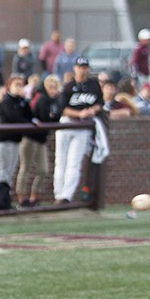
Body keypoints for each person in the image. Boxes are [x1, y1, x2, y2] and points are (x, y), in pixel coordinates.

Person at [53, 56, 101, 203]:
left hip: (82, 126)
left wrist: (92, 110)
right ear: (74, 68)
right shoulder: (68, 86)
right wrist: (79, 113)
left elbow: (100, 103)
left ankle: (66, 196)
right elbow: (62, 109)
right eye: (80, 67)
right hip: (67, 123)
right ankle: (58, 193)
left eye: (85, 67)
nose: (82, 70)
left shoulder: (94, 85)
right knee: (61, 160)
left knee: (74, 162)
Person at [20, 75, 60, 207]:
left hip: (41, 139)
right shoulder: (42, 98)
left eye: (55, 87)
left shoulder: (54, 101)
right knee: (25, 168)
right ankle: (21, 198)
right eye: (51, 87)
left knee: (43, 170)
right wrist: (52, 117)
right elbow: (44, 117)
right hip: (31, 138)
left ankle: (33, 197)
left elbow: (56, 117)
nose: (53, 90)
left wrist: (52, 117)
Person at [0, 75, 30, 194]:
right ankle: (0, 197)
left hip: (16, 140)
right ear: (10, 86)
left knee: (11, 171)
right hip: (5, 140)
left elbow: (29, 115)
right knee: (4, 171)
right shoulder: (6, 101)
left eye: (21, 85)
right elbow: (15, 117)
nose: (20, 88)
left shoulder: (21, 101)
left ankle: (5, 197)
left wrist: (25, 99)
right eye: (17, 85)